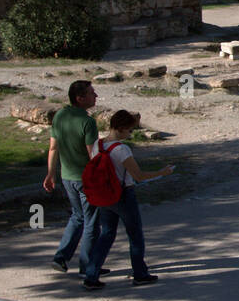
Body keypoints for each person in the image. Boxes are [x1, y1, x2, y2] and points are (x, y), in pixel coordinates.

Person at [82, 110, 175, 290]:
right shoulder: (122, 149)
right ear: (123, 128)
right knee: (135, 235)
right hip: (124, 195)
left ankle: (91, 274)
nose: (130, 134)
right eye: (130, 130)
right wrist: (162, 172)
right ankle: (140, 273)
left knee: (106, 234)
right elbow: (138, 176)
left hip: (105, 195)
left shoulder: (97, 145)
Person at [44, 80, 105, 277]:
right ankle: (87, 265)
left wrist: (50, 174)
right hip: (85, 179)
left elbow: (53, 147)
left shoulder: (60, 115)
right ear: (80, 98)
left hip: (67, 176)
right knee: (91, 222)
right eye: (91, 93)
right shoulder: (88, 122)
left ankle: (61, 258)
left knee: (77, 217)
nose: (95, 96)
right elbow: (93, 155)